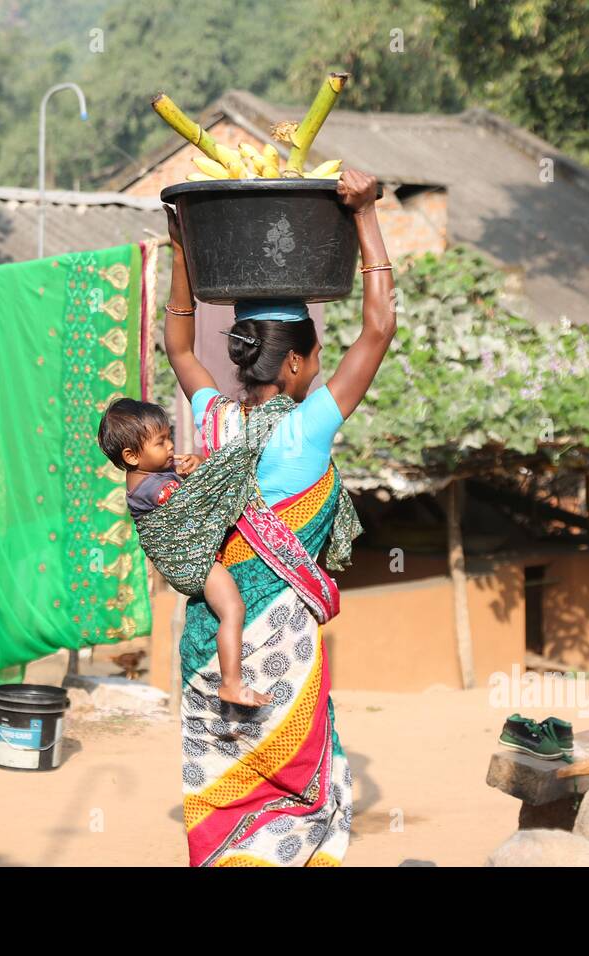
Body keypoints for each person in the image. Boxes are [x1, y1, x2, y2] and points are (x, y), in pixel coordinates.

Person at [163, 167, 396, 867]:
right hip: (281, 649)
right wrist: (364, 213)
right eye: (318, 356)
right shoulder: (306, 431)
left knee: (223, 789)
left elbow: (178, 343)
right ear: (293, 364)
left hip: (209, 644)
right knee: (290, 798)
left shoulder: (210, 419)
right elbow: (380, 326)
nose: (323, 367)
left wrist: (182, 244)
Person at [97, 397, 272, 706]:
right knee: (233, 610)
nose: (169, 446)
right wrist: (211, 474)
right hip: (193, 565)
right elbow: (191, 501)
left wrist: (196, 464)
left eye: (169, 438)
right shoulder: (153, 488)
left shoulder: (152, 474)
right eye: (160, 441)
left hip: (195, 561)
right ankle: (231, 683)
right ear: (132, 456)